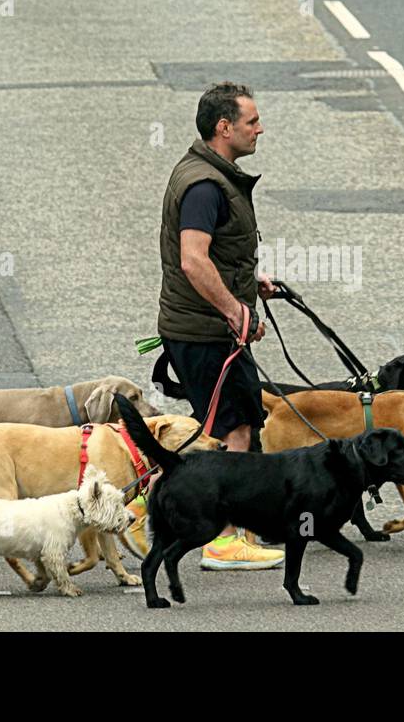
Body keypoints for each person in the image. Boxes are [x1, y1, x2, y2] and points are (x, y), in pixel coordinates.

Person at [141, 81, 284, 570]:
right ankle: (224, 542)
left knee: (218, 426)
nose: (260, 128)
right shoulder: (205, 185)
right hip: (205, 332)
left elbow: (216, 255)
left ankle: (145, 513)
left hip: (202, 327)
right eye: (251, 121)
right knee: (232, 428)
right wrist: (235, 310)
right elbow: (193, 260)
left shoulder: (209, 172)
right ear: (224, 128)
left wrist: (249, 282)